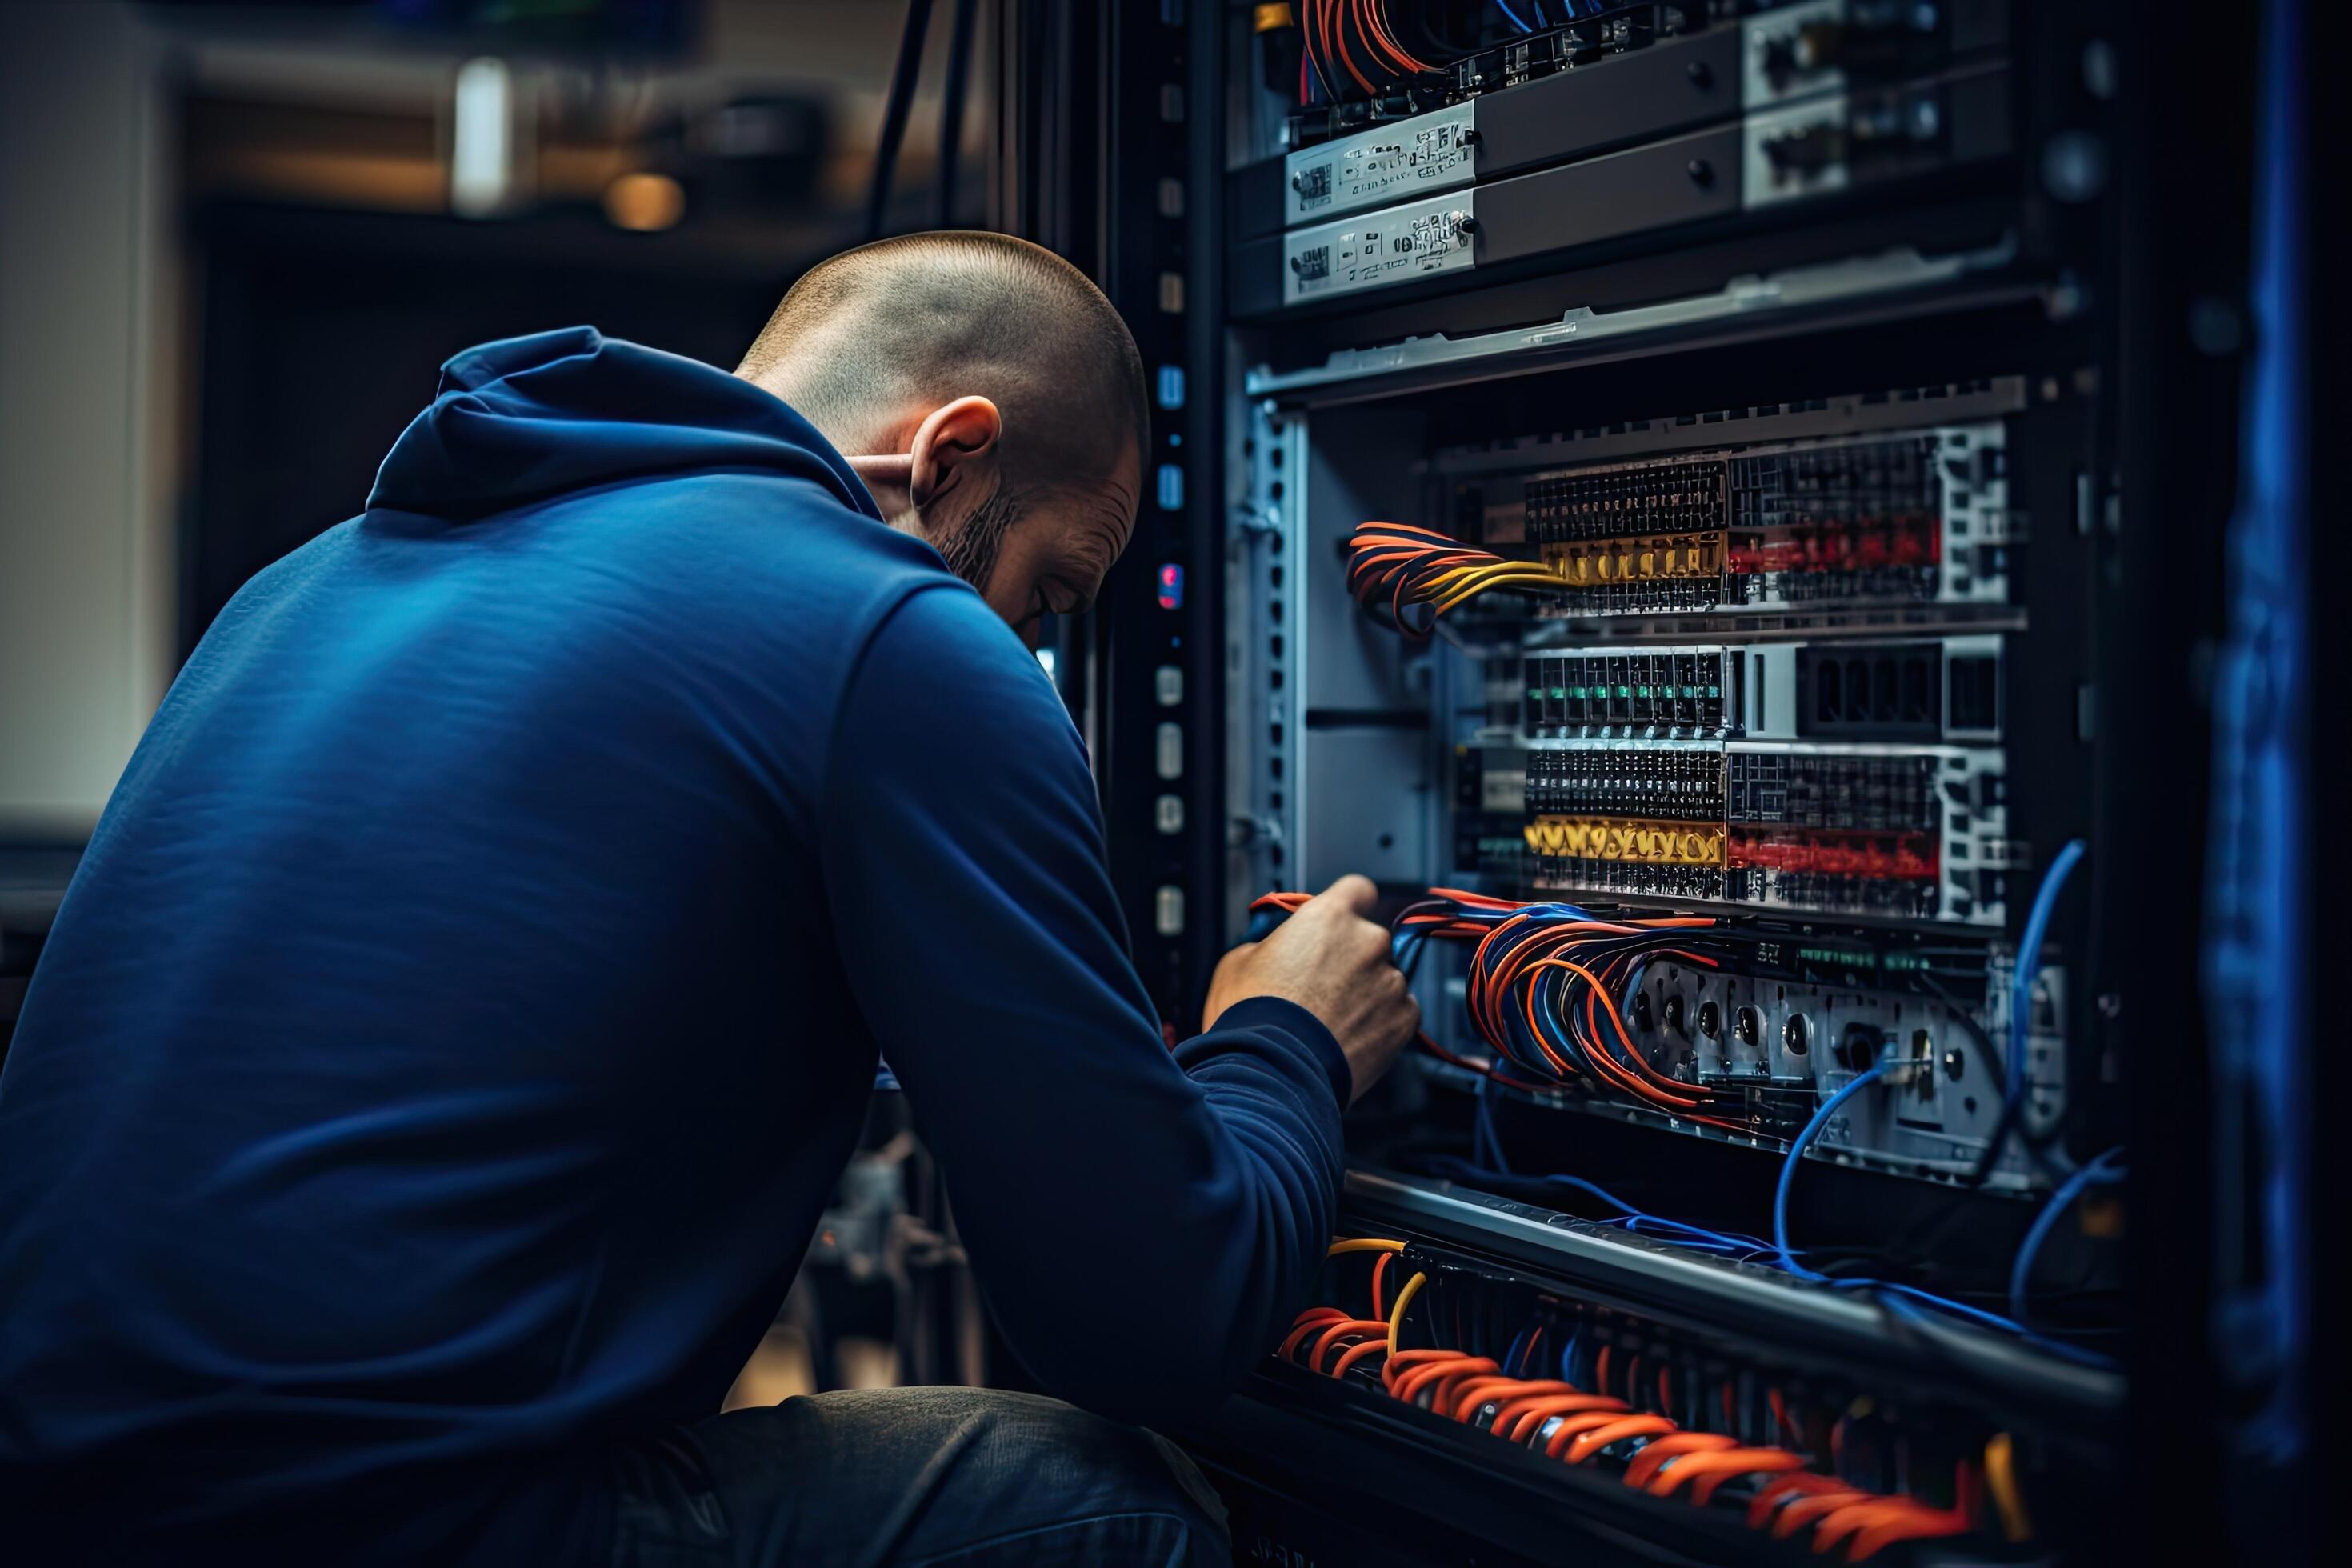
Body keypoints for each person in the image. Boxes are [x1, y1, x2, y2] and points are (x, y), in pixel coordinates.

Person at [0, 231, 1418, 1565]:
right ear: (952, 453)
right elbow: (1152, 1324)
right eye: (1048, 595)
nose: (1027, 653)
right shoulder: (891, 626)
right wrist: (1285, 1040)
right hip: (383, 1529)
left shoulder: (299, 588)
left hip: (57, 1499)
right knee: (1104, 1506)